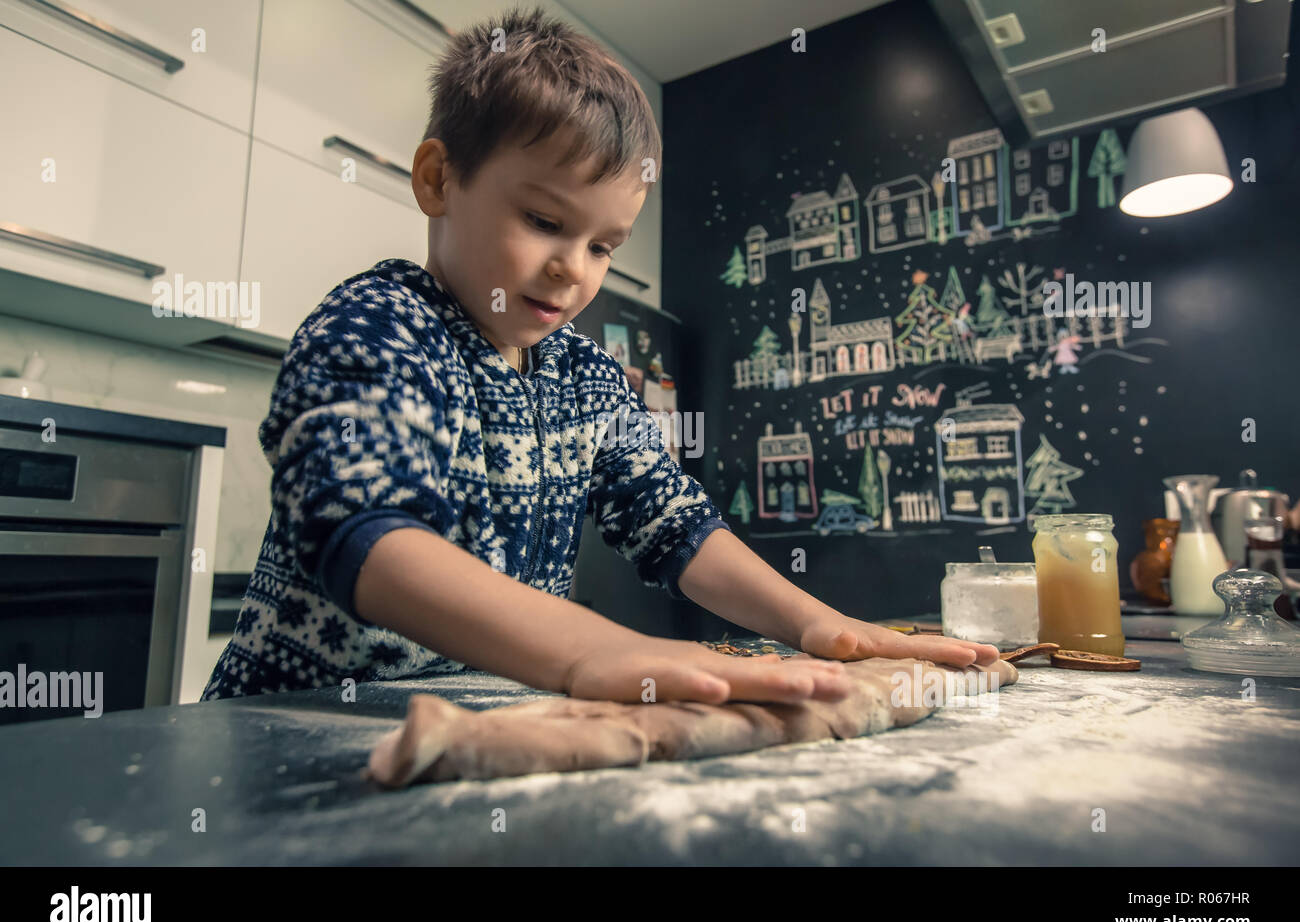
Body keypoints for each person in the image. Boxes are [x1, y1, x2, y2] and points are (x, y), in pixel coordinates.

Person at [202, 6, 997, 706]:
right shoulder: (379, 326)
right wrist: (595, 649)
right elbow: (368, 537)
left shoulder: (581, 376)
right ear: (439, 178)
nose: (573, 268)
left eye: (603, 245)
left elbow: (673, 525)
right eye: (545, 221)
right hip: (289, 730)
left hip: (466, 728)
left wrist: (819, 625)